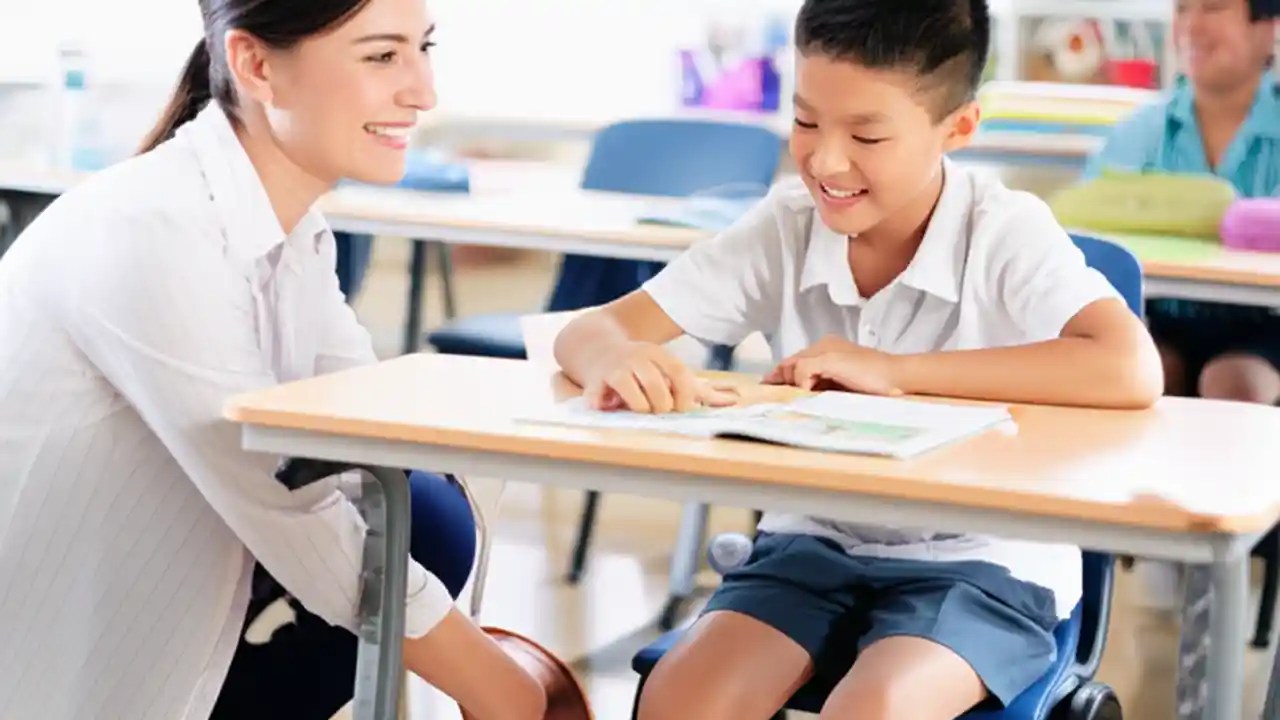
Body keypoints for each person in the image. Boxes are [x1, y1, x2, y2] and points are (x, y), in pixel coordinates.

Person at [554, 0, 1162, 718]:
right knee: (676, 703)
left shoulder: (1005, 232)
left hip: (980, 561)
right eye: (807, 121)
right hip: (811, 545)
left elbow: (1128, 368)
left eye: (867, 134)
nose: (826, 160)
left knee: (869, 711)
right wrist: (612, 357)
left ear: (958, 128)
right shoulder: (783, 227)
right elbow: (588, 331)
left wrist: (896, 372)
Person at [0, 1, 545, 719]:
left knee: (422, 512)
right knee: (373, 528)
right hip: (54, 659)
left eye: (424, 48)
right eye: (382, 56)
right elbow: (284, 503)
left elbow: (362, 432)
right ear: (256, 65)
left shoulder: (291, 228)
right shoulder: (150, 228)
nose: (423, 91)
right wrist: (499, 685)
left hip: (160, 591)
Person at [1086, 0, 1280, 405]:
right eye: (1181, 9)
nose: (1191, 26)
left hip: (1269, 326)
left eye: (1213, 8)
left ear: (1267, 27)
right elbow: (1089, 236)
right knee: (1139, 371)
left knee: (1234, 383)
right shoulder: (1139, 133)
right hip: (1161, 318)